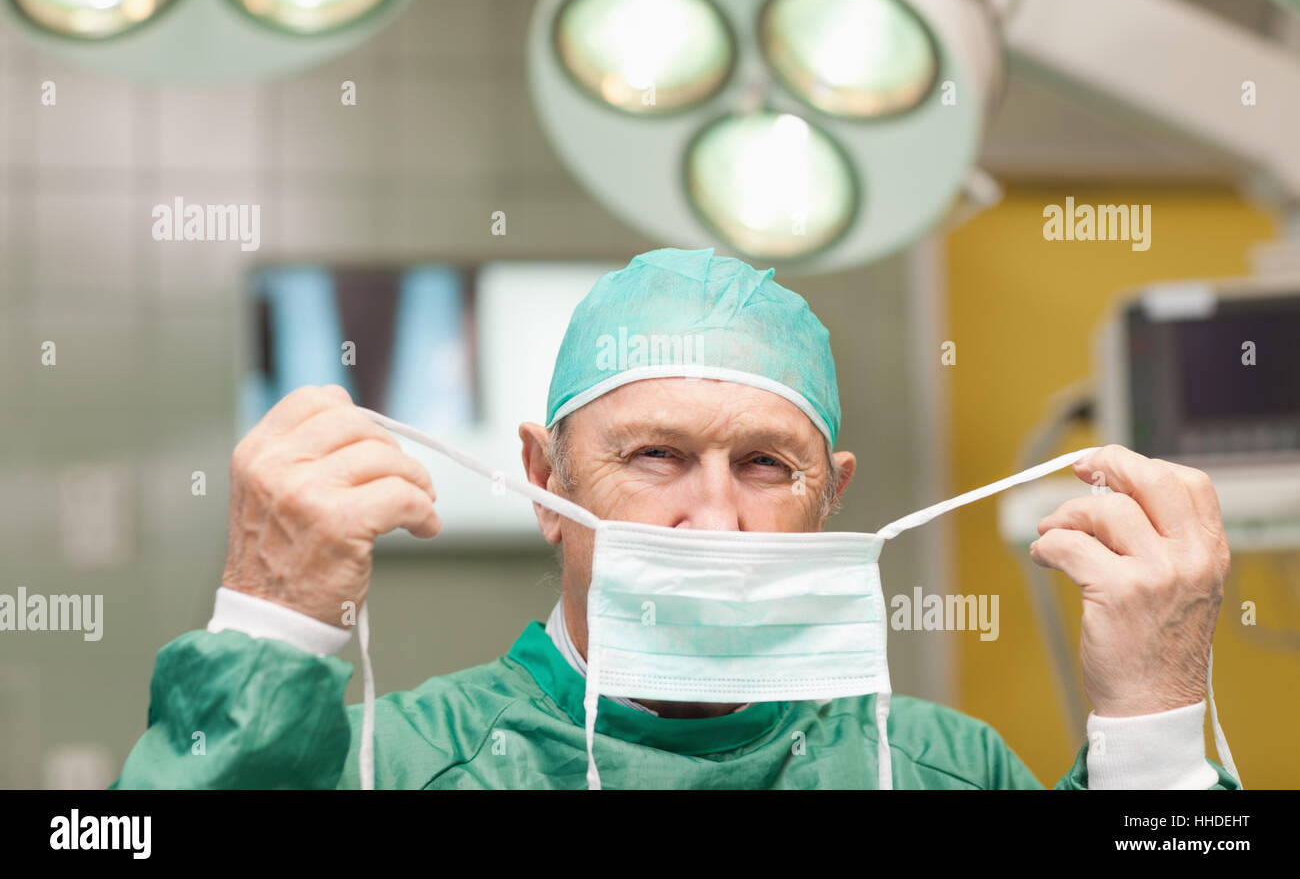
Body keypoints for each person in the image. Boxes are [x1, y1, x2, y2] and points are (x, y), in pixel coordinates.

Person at [113, 248, 1238, 789]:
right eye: (652, 455)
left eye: (765, 464)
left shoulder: (939, 769)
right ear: (540, 477)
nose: (711, 519)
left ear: (830, 495)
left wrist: (1152, 722)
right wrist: (266, 639)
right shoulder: (396, 762)